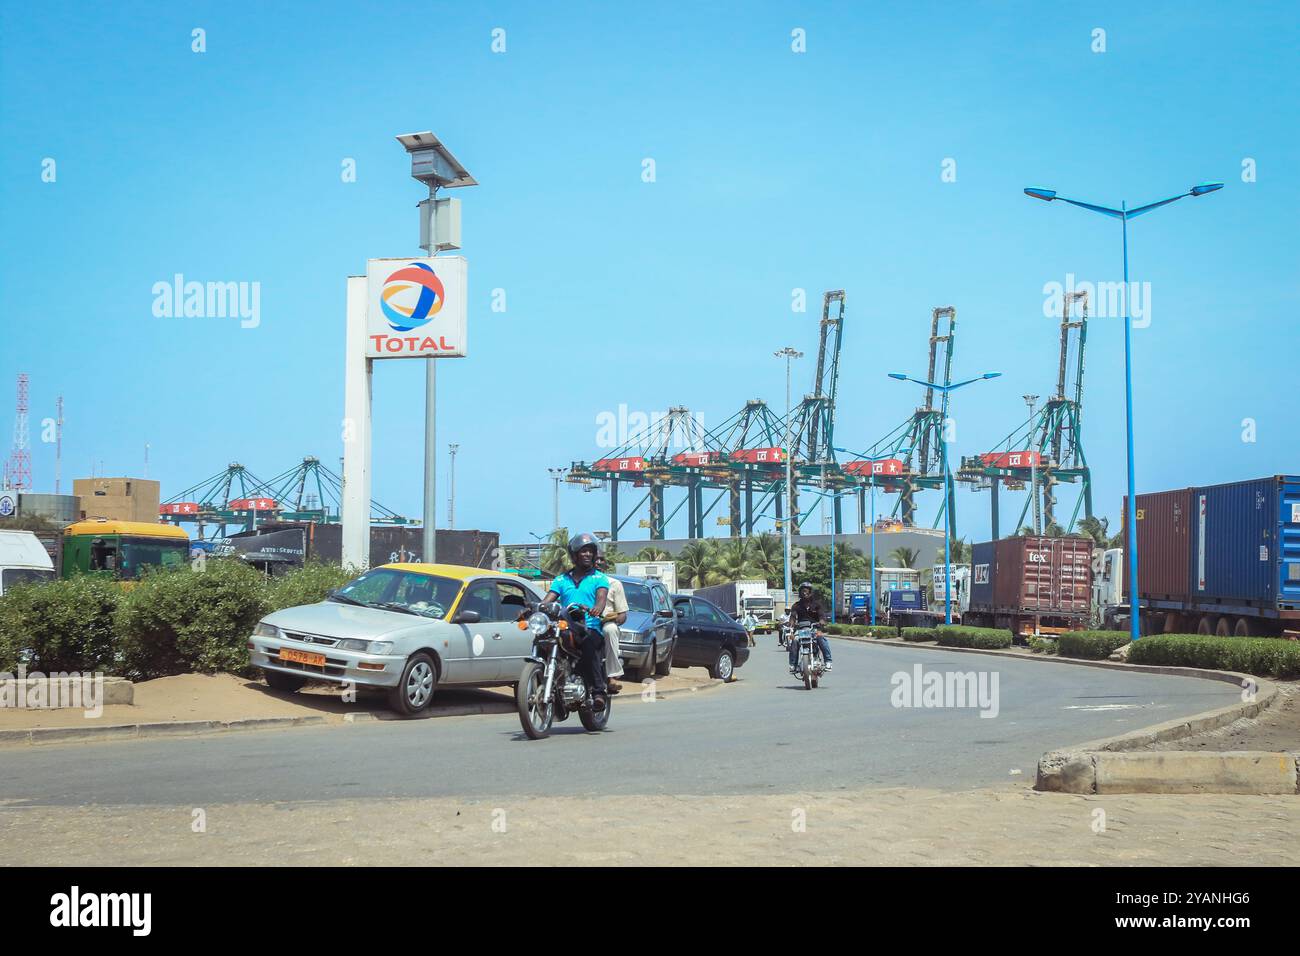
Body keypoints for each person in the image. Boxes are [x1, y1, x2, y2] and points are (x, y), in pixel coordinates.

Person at [536, 532, 610, 711]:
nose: (587, 555)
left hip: (589, 626)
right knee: (542, 643)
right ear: (574, 555)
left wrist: (598, 608)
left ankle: (599, 692)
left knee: (589, 646)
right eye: (583, 551)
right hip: (565, 626)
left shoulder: (599, 578)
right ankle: (547, 684)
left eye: (590, 552)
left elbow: (601, 597)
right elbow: (549, 599)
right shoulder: (562, 579)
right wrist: (535, 607)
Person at [598, 554, 629, 693]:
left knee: (610, 630)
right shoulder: (581, 582)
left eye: (601, 560)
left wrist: (611, 618)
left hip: (604, 623)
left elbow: (622, 614)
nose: (598, 562)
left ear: (606, 565)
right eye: (595, 559)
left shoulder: (614, 584)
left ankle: (613, 675)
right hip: (583, 622)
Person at [787, 582, 833, 674]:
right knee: (795, 641)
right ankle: (793, 665)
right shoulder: (796, 605)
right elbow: (792, 617)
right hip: (801, 629)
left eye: (807, 591)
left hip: (814, 629)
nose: (805, 593)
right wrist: (791, 625)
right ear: (800, 593)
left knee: (821, 638)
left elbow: (822, 616)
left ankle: (828, 661)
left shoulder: (817, 604)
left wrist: (822, 621)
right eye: (803, 591)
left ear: (811, 592)